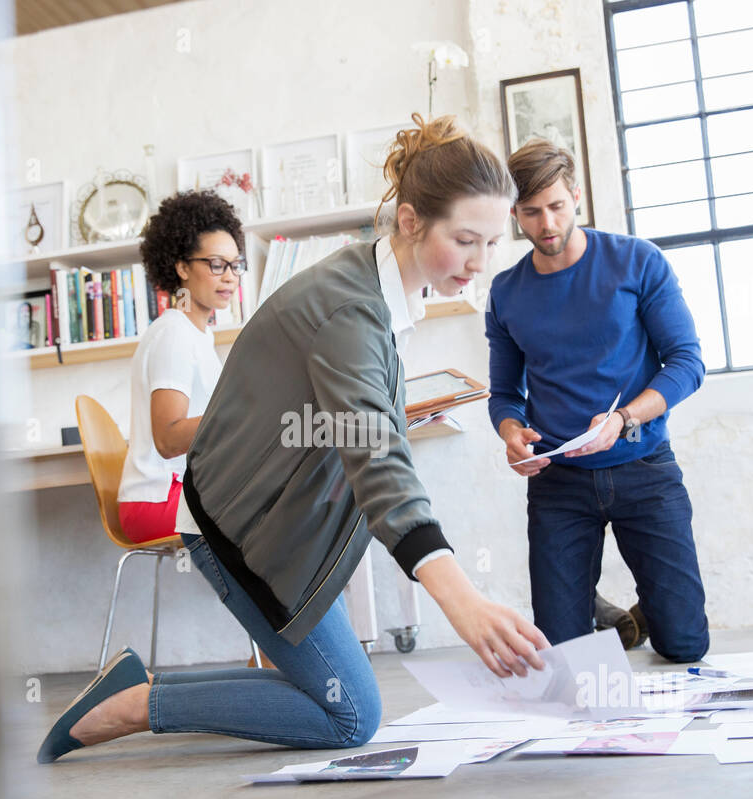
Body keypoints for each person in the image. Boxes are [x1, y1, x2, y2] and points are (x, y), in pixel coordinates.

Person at [38, 113, 548, 763]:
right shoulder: (352, 307)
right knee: (350, 716)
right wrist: (462, 598)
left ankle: (140, 689)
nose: (478, 264)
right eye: (465, 240)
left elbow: (360, 431)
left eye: (491, 244)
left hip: (275, 521)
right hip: (240, 531)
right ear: (413, 221)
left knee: (337, 699)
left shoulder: (382, 292)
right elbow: (378, 460)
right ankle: (138, 705)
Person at [486, 138, 709, 664]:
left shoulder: (637, 262)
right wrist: (511, 433)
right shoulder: (505, 292)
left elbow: (687, 362)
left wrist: (626, 417)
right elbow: (504, 394)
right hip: (559, 485)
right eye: (531, 212)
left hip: (644, 467)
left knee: (684, 646)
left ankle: (646, 601)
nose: (546, 224)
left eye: (557, 207)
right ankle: (594, 609)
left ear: (577, 197)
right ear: (514, 214)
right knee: (567, 658)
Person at [116, 190, 244, 544]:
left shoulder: (200, 337)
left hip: (180, 492)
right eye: (217, 264)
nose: (231, 276)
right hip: (156, 500)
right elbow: (169, 439)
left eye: (235, 265)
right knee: (277, 517)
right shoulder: (173, 333)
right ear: (183, 267)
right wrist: (243, 417)